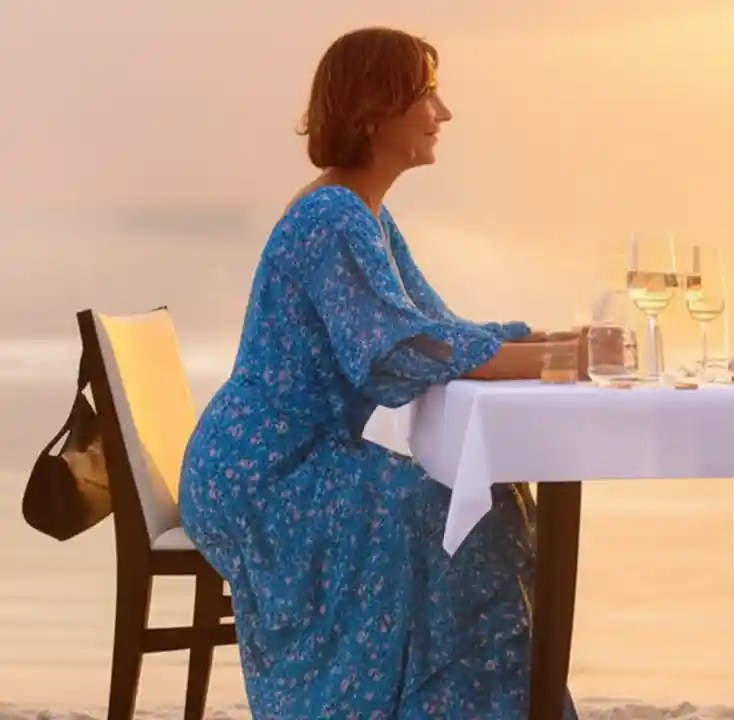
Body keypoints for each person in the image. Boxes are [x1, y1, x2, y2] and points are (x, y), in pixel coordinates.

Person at [178, 27, 579, 719]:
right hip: (265, 474)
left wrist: (542, 341)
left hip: (297, 458)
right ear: (374, 112)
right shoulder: (333, 215)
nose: (443, 113)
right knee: (459, 512)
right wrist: (557, 362)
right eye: (427, 94)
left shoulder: (365, 213)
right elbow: (397, 354)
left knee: (477, 503)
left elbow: (434, 327)